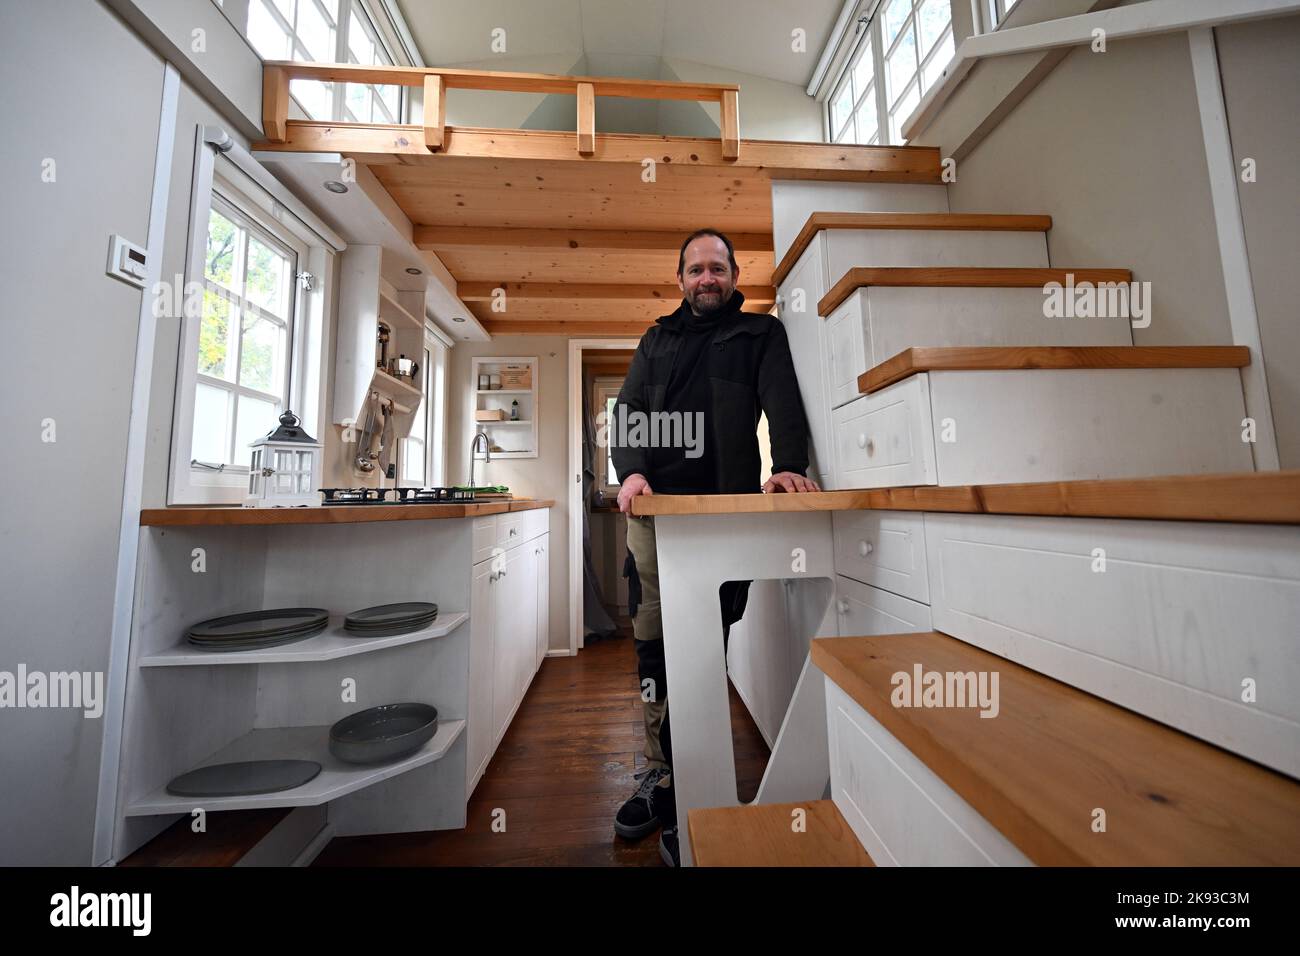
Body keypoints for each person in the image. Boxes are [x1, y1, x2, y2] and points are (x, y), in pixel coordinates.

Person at [609, 228, 820, 866]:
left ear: (733, 277)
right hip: (655, 516)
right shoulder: (656, 339)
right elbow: (628, 412)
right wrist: (632, 473)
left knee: (704, 645)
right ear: (681, 279)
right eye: (696, 269)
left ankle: (691, 790)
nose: (707, 278)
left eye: (718, 268)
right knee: (653, 642)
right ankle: (663, 773)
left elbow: (782, 401)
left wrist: (788, 465)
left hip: (724, 518)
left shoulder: (760, 334)